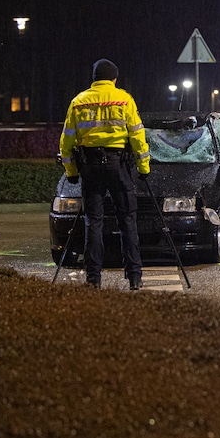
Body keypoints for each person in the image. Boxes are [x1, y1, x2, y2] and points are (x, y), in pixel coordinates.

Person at [59, 59, 150, 290]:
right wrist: (143, 168)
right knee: (128, 220)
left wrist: (71, 171)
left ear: (94, 79)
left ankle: (93, 279)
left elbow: (67, 140)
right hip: (118, 165)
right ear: (114, 79)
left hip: (90, 167)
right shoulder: (124, 99)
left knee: (93, 223)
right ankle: (135, 277)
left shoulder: (78, 102)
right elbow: (137, 136)